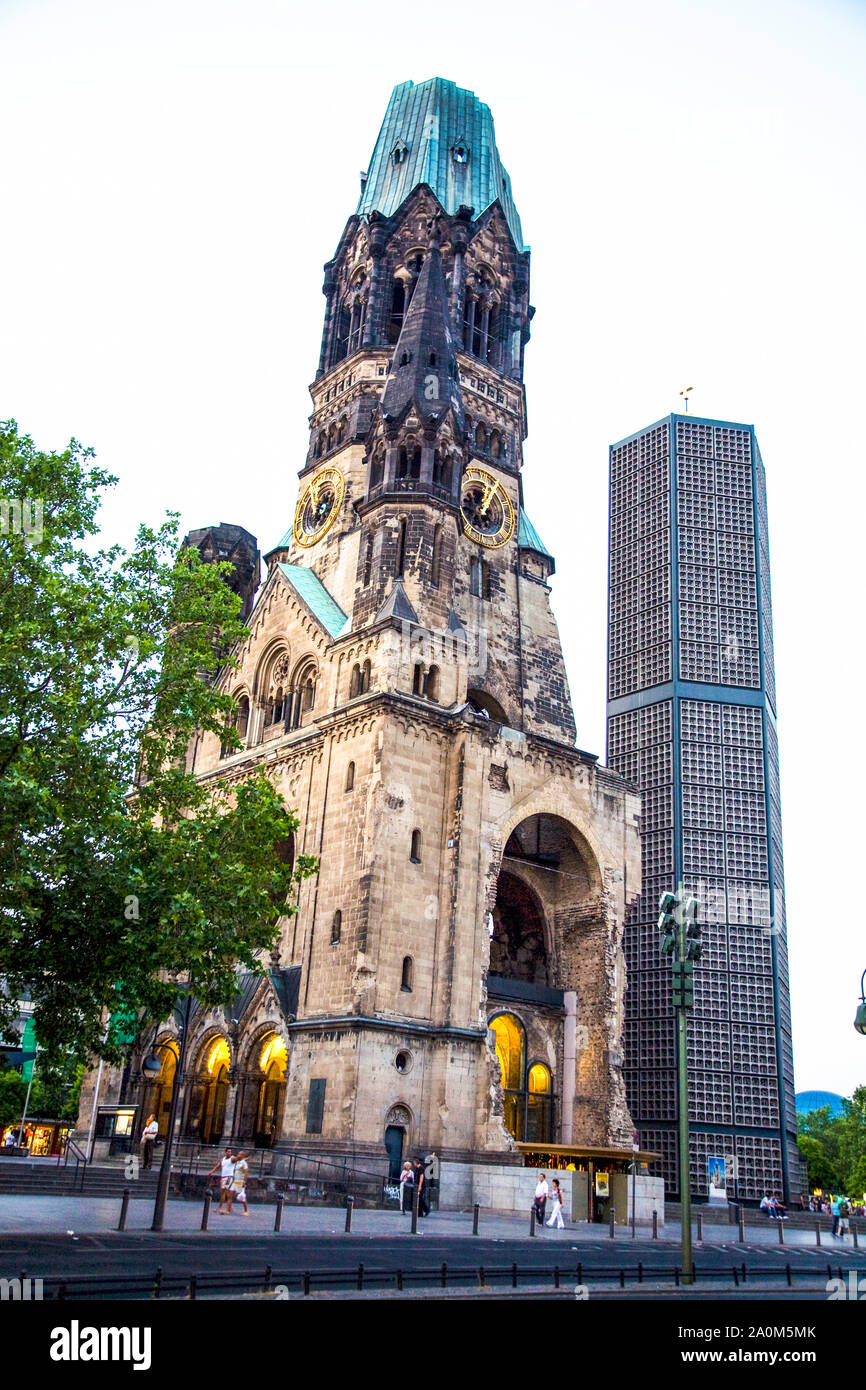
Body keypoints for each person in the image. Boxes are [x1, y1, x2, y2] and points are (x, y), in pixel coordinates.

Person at [208, 1147, 236, 1214]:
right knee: (225, 1193)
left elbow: (238, 1159)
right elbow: (218, 1166)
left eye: (230, 1152)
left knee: (224, 1192)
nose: (229, 1153)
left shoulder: (232, 1158)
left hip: (229, 1177)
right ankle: (230, 1207)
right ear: (225, 1152)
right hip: (223, 1177)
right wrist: (211, 1171)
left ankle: (221, 1208)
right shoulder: (223, 1159)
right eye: (228, 1151)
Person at [231, 1150, 250, 1216]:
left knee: (242, 1198)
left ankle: (246, 1211)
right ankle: (229, 1208)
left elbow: (246, 1172)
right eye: (238, 1154)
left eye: (240, 1154)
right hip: (235, 1181)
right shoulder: (237, 1162)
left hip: (240, 1182)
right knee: (230, 1195)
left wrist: (244, 1182)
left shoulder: (244, 1163)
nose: (238, 1155)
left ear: (242, 1156)